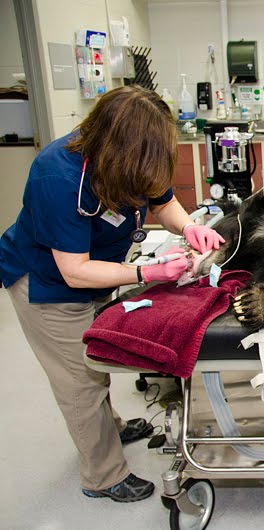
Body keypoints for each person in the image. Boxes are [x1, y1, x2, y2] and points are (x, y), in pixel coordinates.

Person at [0, 85, 225, 503]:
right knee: (78, 380)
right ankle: (103, 476)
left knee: (97, 356)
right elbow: (75, 270)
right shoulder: (58, 177)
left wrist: (187, 226)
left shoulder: (134, 159)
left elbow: (163, 201)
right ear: (116, 147)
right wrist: (148, 270)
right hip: (46, 284)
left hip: (98, 272)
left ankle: (114, 426)